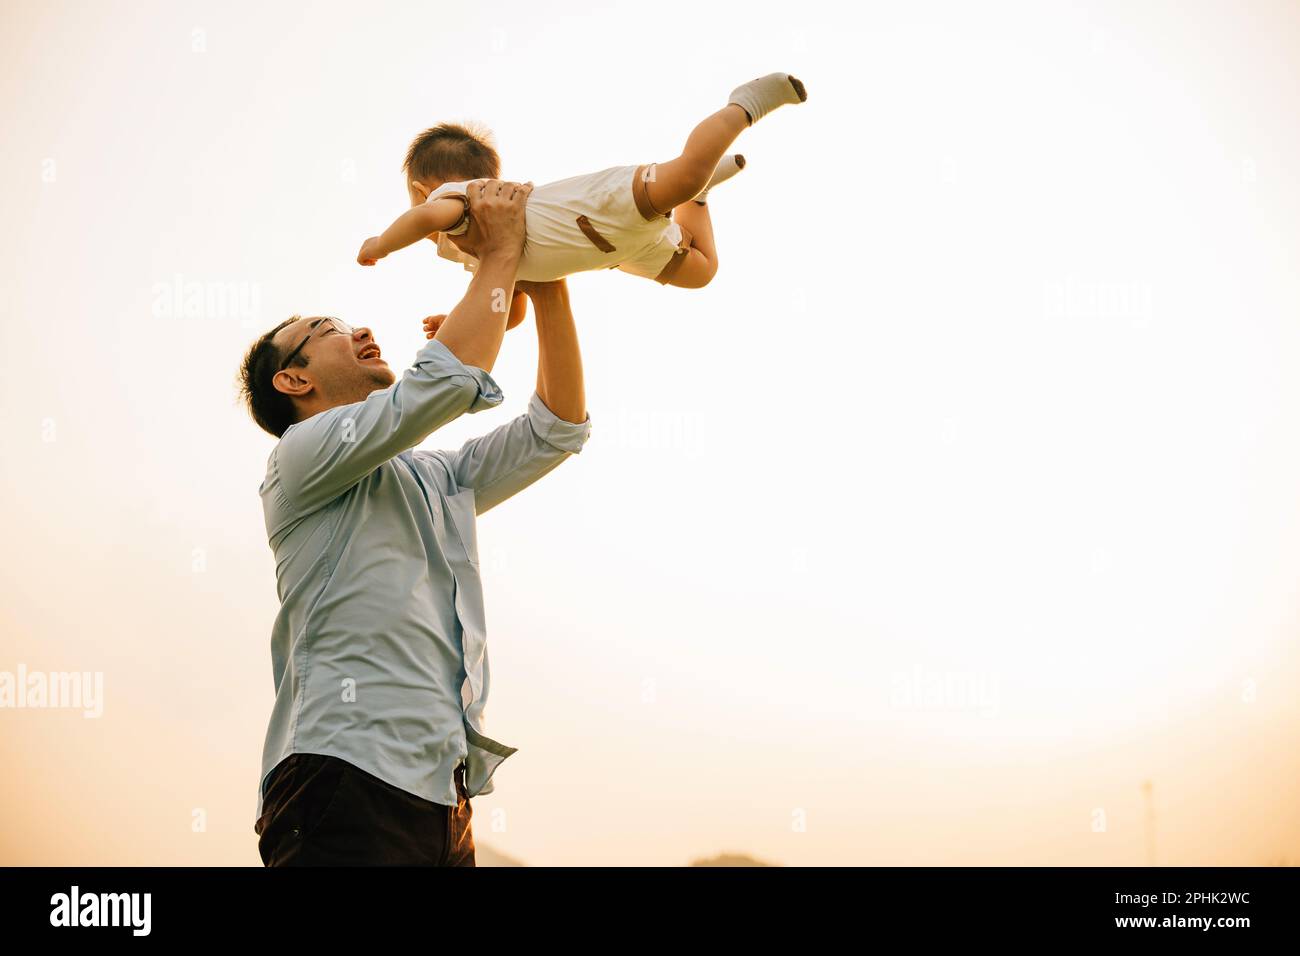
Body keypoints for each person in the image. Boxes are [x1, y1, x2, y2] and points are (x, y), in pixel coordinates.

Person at [237, 180, 591, 865]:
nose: (360, 329)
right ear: (293, 382)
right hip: (341, 772)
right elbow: (447, 383)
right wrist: (505, 249)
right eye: (328, 332)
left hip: (440, 795)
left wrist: (546, 282)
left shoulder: (432, 477)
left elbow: (557, 429)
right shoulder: (299, 458)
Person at [356, 72, 807, 323]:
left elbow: (421, 220)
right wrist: (453, 322)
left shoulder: (463, 201)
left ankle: (744, 104)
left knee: (684, 174)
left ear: (423, 191)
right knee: (700, 272)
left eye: (418, 202)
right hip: (615, 250)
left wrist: (381, 243)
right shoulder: (479, 250)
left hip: (592, 209)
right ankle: (701, 197)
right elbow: (508, 313)